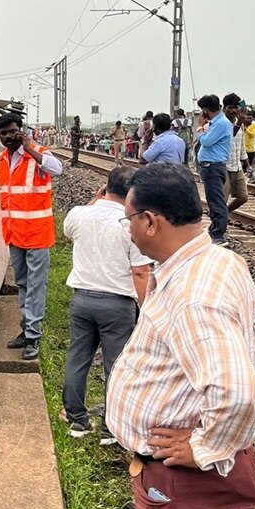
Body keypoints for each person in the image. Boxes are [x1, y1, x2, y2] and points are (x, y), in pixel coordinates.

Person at [107, 163, 255, 509]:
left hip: (183, 484)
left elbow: (235, 392)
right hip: (184, 480)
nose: (128, 229)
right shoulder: (217, 261)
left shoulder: (194, 295)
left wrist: (203, 446)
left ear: (151, 221)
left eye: (129, 218)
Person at [60, 166, 151, 442]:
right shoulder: (130, 224)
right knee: (116, 365)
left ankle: (77, 421)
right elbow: (141, 272)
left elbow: (69, 230)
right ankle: (109, 428)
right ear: (133, 193)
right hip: (117, 304)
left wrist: (96, 199)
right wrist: (147, 308)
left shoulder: (79, 214)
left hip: (82, 299)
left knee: (78, 358)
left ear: (105, 186)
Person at [0, 112, 62, 361]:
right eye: (3, 133)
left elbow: (57, 169)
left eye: (12, 131)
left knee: (36, 286)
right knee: (24, 284)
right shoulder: (1, 160)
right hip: (14, 234)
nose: (8, 137)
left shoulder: (37, 154)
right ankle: (26, 330)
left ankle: (33, 336)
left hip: (37, 234)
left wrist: (29, 149)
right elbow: (9, 189)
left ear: (22, 130)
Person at [196, 94, 231, 243]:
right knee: (213, 199)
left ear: (205, 110)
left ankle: (218, 234)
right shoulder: (216, 123)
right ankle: (214, 229)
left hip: (213, 166)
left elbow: (206, 141)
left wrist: (200, 128)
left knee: (216, 200)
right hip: (211, 166)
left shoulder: (220, 123)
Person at [223, 94, 249, 214]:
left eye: (235, 108)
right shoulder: (222, 123)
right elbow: (229, 136)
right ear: (224, 108)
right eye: (230, 107)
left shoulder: (240, 123)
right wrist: (240, 122)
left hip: (236, 165)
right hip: (223, 165)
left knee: (243, 197)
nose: (233, 111)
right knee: (223, 197)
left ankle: (224, 214)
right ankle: (219, 220)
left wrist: (246, 162)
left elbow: (241, 144)